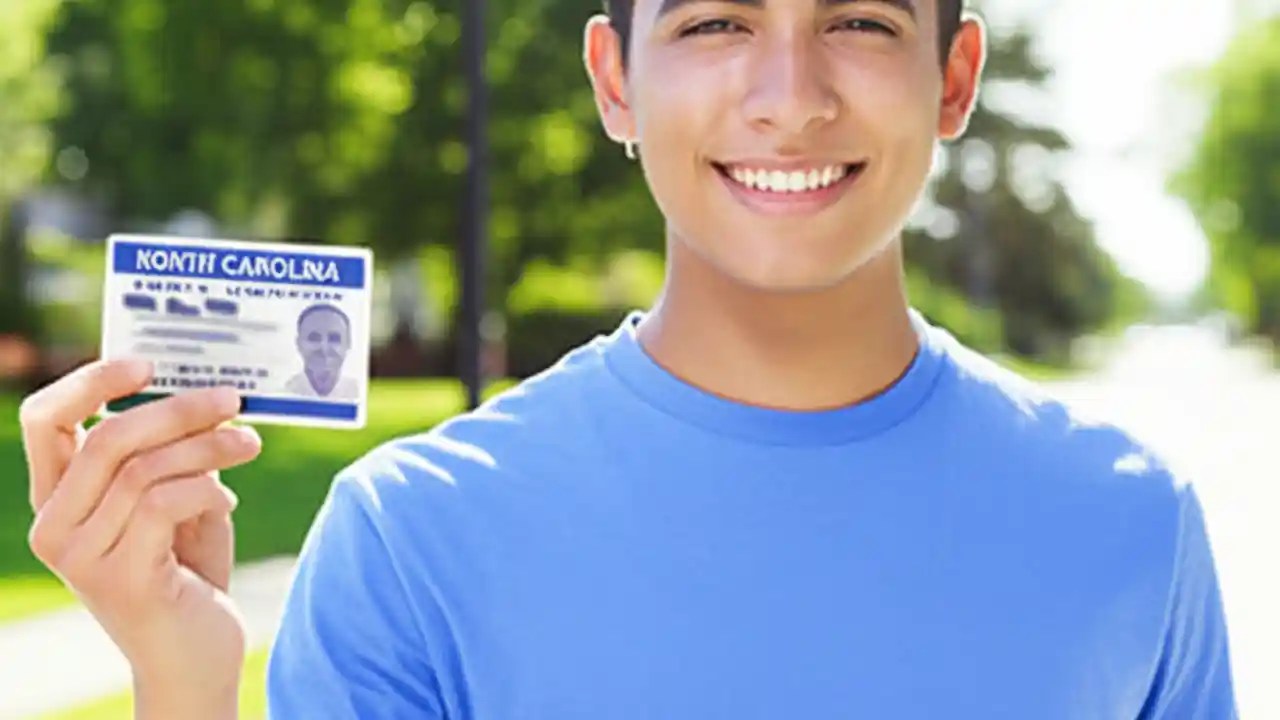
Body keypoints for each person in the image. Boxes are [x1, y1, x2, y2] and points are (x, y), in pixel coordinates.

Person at [18, 0, 1237, 718]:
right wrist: (182, 685)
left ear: (952, 78)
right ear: (614, 80)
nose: (788, 96)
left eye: (857, 21)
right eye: (716, 21)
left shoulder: (1129, 523)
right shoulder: (410, 537)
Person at [282, 303, 359, 401]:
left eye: (334, 339)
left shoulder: (360, 393)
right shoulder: (282, 393)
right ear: (299, 343)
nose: (324, 348)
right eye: (314, 338)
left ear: (348, 344)